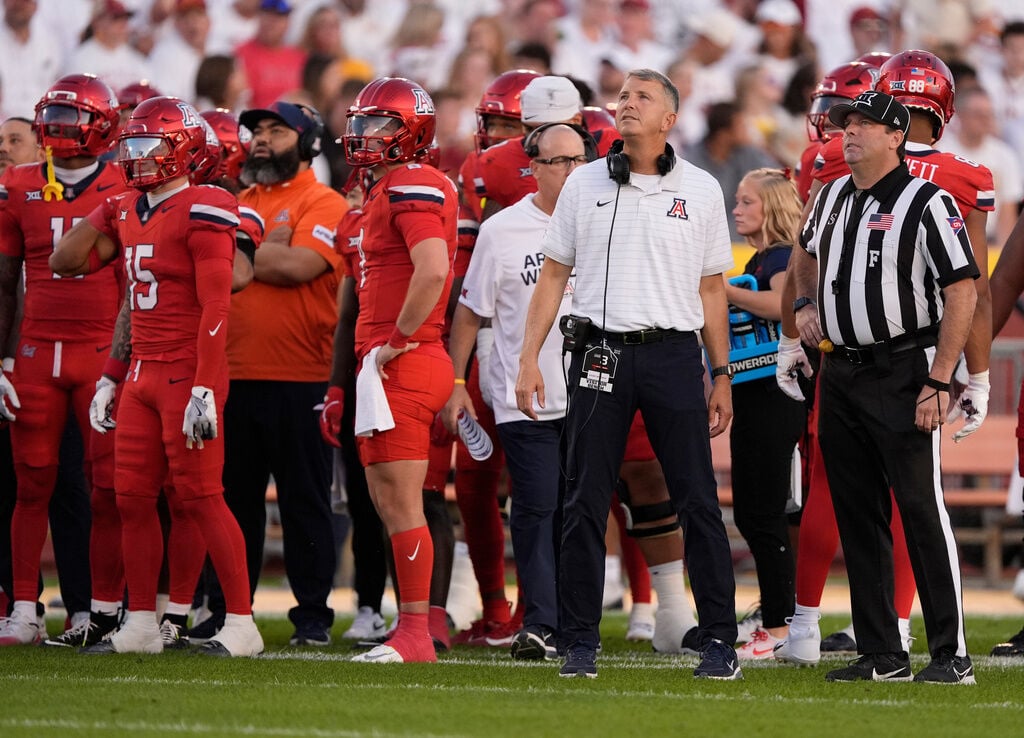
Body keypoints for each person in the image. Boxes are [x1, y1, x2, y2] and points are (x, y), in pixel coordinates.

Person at [515, 68, 740, 680]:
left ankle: (720, 638)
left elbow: (712, 288)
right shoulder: (585, 182)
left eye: (642, 97)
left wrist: (721, 373)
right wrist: (529, 357)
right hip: (597, 353)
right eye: (623, 96)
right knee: (583, 500)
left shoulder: (699, 189)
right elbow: (554, 275)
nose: (626, 104)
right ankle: (579, 640)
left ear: (670, 118)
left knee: (696, 499)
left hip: (672, 354)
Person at [50, 95, 262, 657]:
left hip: (186, 371)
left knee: (202, 497)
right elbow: (74, 267)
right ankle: (141, 621)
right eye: (132, 147)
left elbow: (218, 304)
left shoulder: (206, 203)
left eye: (150, 147)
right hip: (142, 371)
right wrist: (111, 376)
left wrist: (203, 387)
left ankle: (242, 623)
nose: (138, 158)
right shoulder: (127, 207)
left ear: (184, 150)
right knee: (131, 499)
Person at [788, 90, 978, 684]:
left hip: (903, 368)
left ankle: (952, 654)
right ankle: (882, 653)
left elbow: (962, 290)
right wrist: (801, 305)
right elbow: (805, 249)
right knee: (855, 510)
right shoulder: (831, 194)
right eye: (846, 123)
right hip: (840, 368)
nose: (850, 133)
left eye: (865, 124)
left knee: (920, 509)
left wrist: (940, 379)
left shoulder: (929, 201)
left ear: (896, 136)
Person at [443, 123, 590, 661]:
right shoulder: (502, 229)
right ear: (535, 169)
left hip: (592, 394)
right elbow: (469, 312)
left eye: (579, 160)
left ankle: (574, 619)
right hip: (521, 396)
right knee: (536, 506)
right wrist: (458, 383)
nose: (572, 172)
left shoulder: (605, 221)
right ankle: (542, 623)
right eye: (559, 162)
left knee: (581, 509)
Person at [201, 100, 346, 647]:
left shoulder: (324, 201)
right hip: (231, 373)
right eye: (256, 129)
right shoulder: (237, 200)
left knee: (303, 501)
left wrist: (238, 255)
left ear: (307, 142)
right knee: (231, 501)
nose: (261, 138)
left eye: (277, 130)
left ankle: (312, 618)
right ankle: (226, 613)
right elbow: (223, 265)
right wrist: (266, 248)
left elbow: (299, 267)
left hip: (301, 373)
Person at [0, 75, 126, 648]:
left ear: (100, 123)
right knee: (31, 485)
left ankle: (97, 609)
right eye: (53, 115)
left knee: (105, 486)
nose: (58, 127)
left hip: (100, 349)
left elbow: (133, 281)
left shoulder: (125, 183)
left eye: (72, 116)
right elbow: (5, 283)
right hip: (33, 351)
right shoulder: (17, 183)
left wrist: (130, 359)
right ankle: (25, 608)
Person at [341, 77, 458, 664]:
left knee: (404, 503)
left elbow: (433, 269)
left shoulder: (412, 181)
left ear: (411, 132)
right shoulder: (387, 186)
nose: (365, 135)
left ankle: (415, 634)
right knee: (390, 502)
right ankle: (410, 628)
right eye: (361, 122)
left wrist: (398, 339)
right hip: (389, 363)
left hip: (406, 362)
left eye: (381, 124)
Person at [725, 168, 807, 659]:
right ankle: (780, 616)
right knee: (756, 512)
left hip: (775, 391)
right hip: (754, 391)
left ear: (771, 208)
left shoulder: (779, 255)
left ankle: (779, 623)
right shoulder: (760, 255)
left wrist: (720, 290)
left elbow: (784, 306)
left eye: (746, 201)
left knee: (764, 512)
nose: (737, 209)